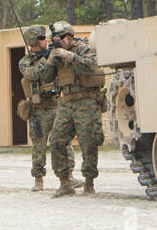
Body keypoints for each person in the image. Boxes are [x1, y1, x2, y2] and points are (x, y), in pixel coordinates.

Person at [46, 21, 106, 197]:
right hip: (66, 102)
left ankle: (89, 182)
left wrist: (70, 56)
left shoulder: (84, 48)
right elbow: (47, 78)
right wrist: (50, 62)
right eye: (58, 39)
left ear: (70, 36)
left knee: (88, 142)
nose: (61, 41)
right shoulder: (56, 54)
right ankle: (65, 182)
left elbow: (91, 65)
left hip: (87, 101)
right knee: (56, 141)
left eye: (63, 37)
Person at [17, 25, 80, 192]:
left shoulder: (53, 54)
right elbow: (33, 74)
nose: (46, 40)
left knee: (64, 142)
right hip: (38, 110)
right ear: (34, 42)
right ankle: (38, 179)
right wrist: (46, 59)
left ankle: (69, 177)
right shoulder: (25, 62)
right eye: (42, 38)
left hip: (56, 105)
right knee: (39, 146)